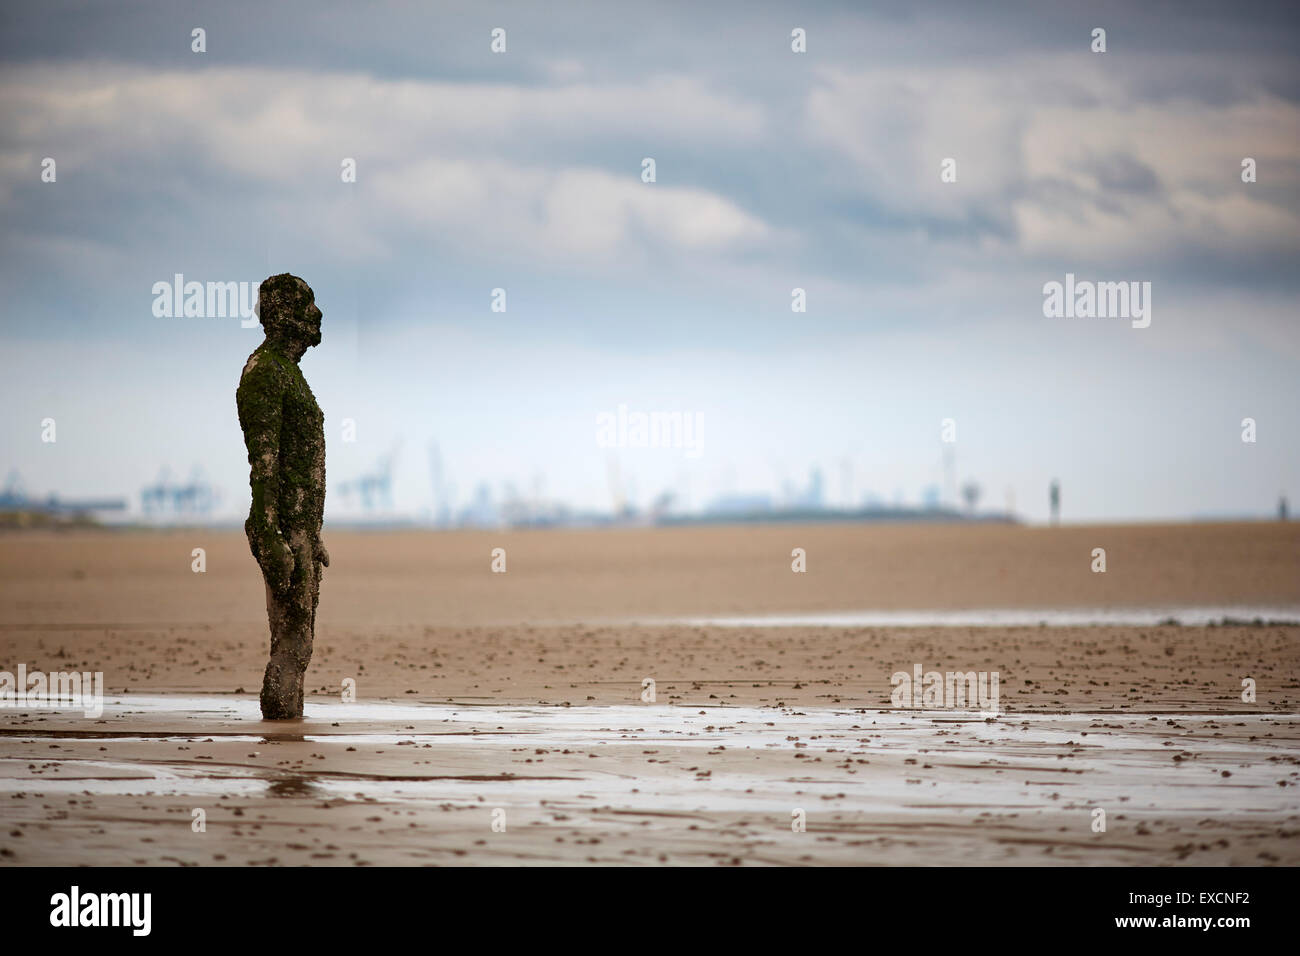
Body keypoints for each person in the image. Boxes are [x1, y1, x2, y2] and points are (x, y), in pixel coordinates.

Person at [236, 274, 329, 719]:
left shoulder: (289, 374)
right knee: (293, 641)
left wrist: (313, 532)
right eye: (307, 305)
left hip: (300, 528)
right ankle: (280, 730)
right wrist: (271, 532)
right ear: (283, 315)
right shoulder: (265, 373)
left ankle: (288, 723)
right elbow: (265, 461)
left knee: (301, 639)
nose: (317, 314)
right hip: (283, 527)